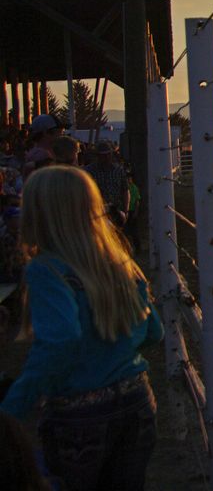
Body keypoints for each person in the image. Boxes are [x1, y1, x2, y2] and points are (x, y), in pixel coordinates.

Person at [0, 165, 162, 491]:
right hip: (137, 400)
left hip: (79, 415)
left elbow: (60, 341)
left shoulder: (47, 270)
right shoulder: (119, 263)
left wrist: (11, 409)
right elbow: (153, 331)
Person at [83, 141, 129, 228]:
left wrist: (125, 210)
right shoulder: (89, 171)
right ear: (97, 156)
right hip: (97, 213)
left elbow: (125, 190)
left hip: (116, 212)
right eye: (102, 155)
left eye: (108, 154)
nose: (106, 157)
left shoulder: (119, 170)